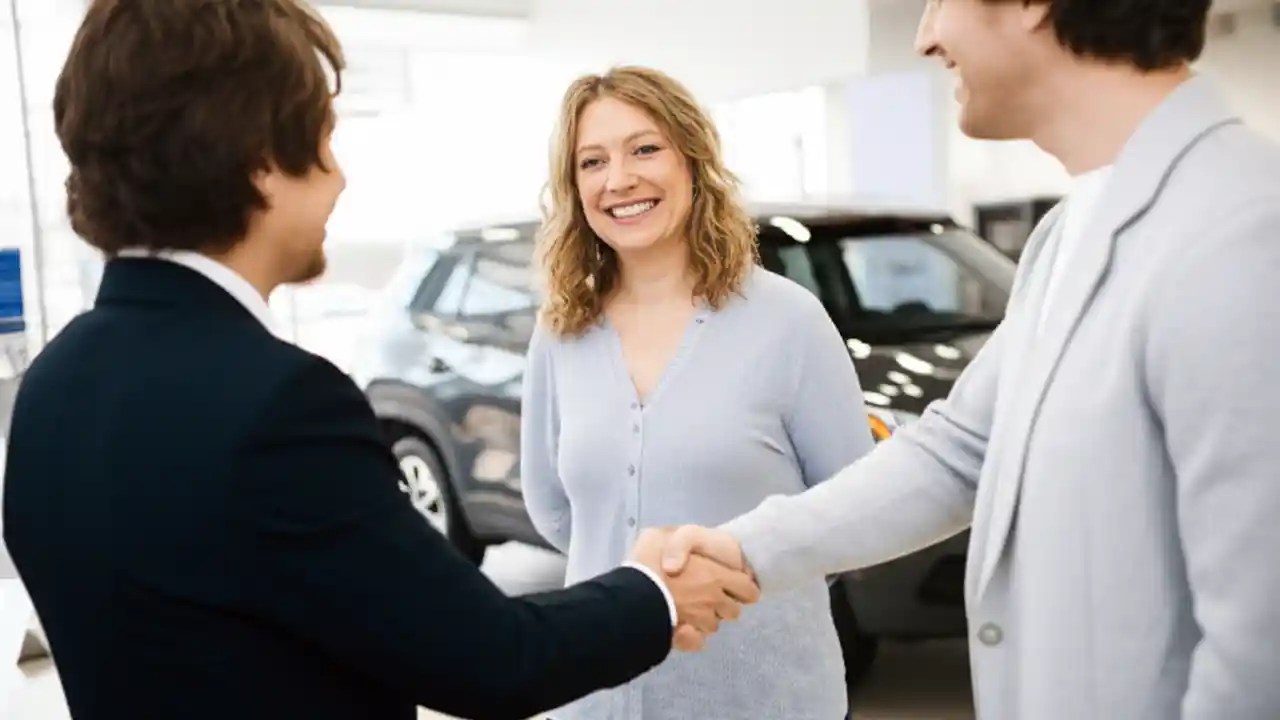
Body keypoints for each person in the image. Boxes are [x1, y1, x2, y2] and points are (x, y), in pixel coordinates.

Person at [0, 3, 761, 720]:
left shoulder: (54, 383)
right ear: (261, 160)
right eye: (324, 141)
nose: (339, 176)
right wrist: (658, 595)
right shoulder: (276, 406)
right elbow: (491, 657)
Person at [659, 1, 1280, 718]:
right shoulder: (1067, 233)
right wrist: (738, 550)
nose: (925, 37)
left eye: (938, 2)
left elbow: (1259, 651)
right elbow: (958, 450)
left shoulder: (1240, 232)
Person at [520, 65, 875, 720]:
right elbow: (554, 509)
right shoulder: (560, 331)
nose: (618, 178)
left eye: (644, 148)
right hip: (597, 696)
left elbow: (853, 510)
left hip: (760, 693)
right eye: (591, 161)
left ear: (693, 159)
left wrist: (740, 582)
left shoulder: (787, 321)